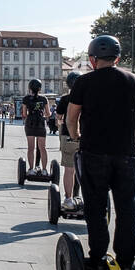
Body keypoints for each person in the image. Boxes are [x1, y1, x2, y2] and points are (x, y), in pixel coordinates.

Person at [65, 35, 135, 270]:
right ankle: (125, 261)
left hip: (94, 152)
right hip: (126, 154)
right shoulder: (133, 80)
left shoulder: (84, 83)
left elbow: (72, 118)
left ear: (92, 59)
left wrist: (76, 136)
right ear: (117, 58)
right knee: (127, 208)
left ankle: (99, 256)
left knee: (96, 206)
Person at [56, 71, 82, 207]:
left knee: (69, 169)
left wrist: (59, 124)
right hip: (86, 136)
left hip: (68, 136)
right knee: (87, 169)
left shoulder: (65, 99)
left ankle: (68, 199)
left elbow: (59, 117)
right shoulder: (89, 98)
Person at [22, 79, 50, 174]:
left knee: (30, 148)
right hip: (41, 124)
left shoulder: (26, 99)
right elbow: (48, 113)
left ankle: (31, 169)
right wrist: (42, 116)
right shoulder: (44, 99)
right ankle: (44, 170)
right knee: (42, 148)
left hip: (30, 123)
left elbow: (24, 114)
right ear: (40, 88)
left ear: (30, 88)